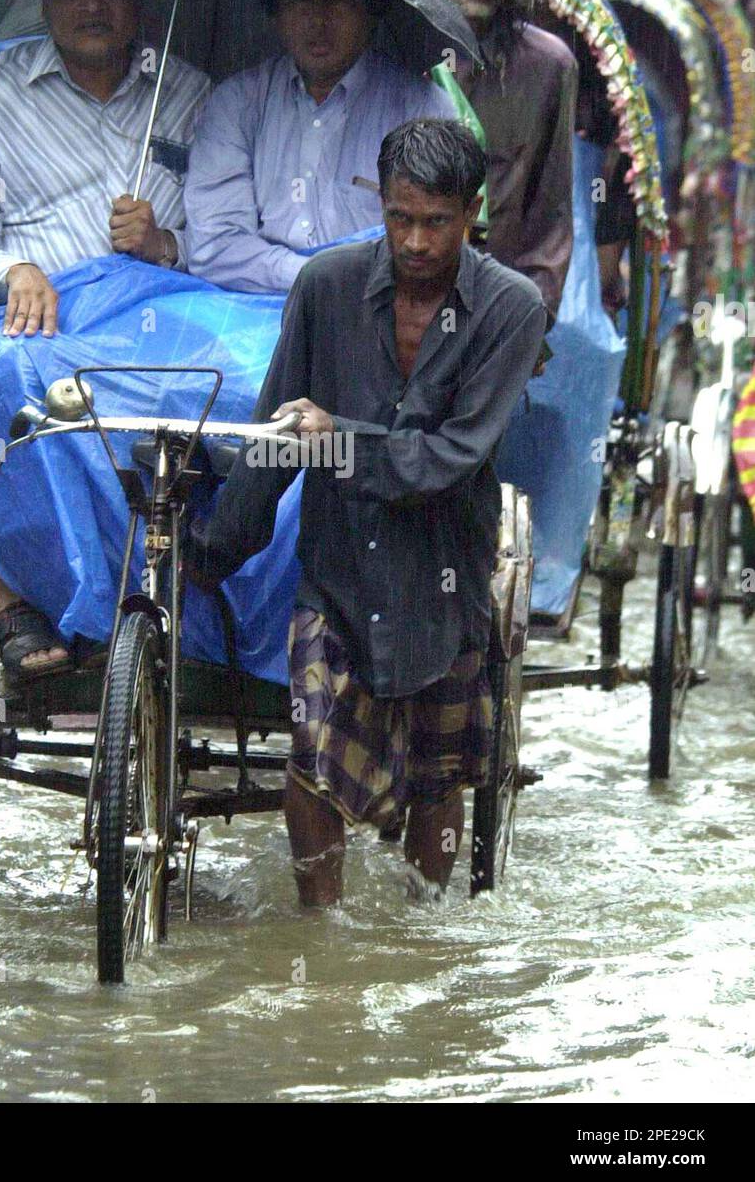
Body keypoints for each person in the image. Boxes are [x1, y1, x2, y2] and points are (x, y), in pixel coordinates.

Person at [185, 119, 547, 906]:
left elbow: (455, 454)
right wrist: (215, 547)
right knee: (312, 764)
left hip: (443, 576)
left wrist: (339, 438)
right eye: (399, 218)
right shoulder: (326, 285)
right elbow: (280, 429)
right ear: (379, 204)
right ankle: (321, 931)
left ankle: (423, 922)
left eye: (436, 223)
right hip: (340, 569)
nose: (415, 241)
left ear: (471, 212)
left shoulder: (512, 309)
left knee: (439, 772)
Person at [0, 0, 209, 675]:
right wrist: (10, 270)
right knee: (20, 379)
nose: (92, 4)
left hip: (161, 317)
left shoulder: (190, 95)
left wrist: (167, 245)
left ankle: (211, 593)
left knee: (238, 390)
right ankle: (23, 592)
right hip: (34, 317)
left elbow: (234, 231)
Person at [184, 0, 466, 292]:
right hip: (252, 317)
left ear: (370, 9)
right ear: (277, 8)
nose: (318, 20)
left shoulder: (422, 110)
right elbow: (214, 247)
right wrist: (318, 279)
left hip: (377, 314)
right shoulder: (237, 103)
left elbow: (433, 245)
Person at [420, 0, 578, 318]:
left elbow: (551, 211)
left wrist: (534, 316)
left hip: (494, 309)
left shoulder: (547, 67)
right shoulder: (394, 52)